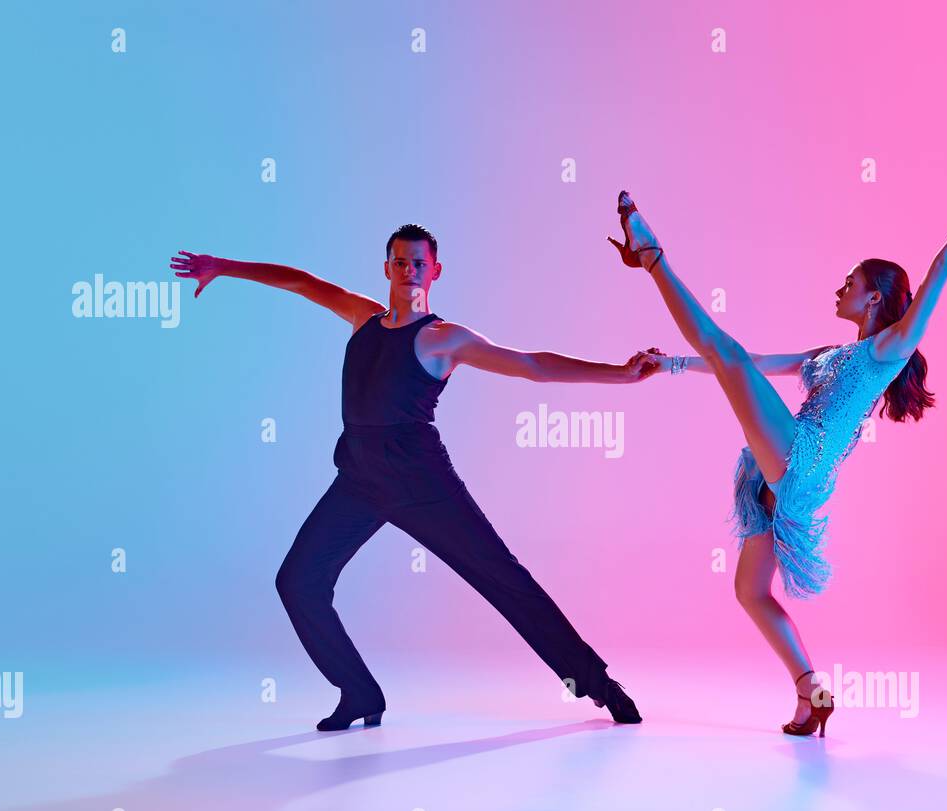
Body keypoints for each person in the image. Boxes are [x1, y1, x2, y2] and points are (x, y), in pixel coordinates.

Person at [169, 224, 660, 730]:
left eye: (419, 263)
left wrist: (619, 373)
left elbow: (533, 366)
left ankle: (596, 683)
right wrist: (225, 268)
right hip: (359, 480)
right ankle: (359, 693)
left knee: (505, 580)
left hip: (423, 483)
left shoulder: (444, 338)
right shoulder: (361, 317)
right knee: (297, 581)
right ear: (387, 268)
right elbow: (299, 281)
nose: (409, 272)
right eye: (400, 262)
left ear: (435, 271)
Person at [607, 175, 947, 736]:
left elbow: (939, 272)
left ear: (874, 296)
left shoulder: (888, 349)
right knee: (750, 592)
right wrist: (674, 365)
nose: (839, 287)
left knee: (726, 352)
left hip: (801, 461)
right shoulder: (831, 353)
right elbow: (752, 361)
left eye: (850, 281)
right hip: (773, 471)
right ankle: (811, 691)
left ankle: (651, 254)